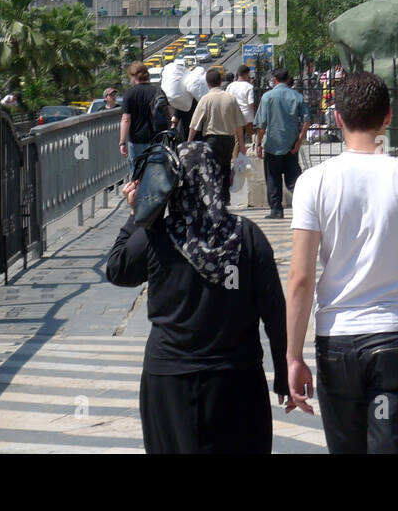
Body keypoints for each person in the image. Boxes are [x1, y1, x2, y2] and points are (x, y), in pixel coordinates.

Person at [285, 70, 398, 453]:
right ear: (388, 116)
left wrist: (293, 356)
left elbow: (300, 279)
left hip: (337, 339)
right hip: (395, 336)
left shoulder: (313, 181)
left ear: (337, 117)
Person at [107, 141, 288, 453]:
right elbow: (274, 311)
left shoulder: (157, 236)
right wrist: (284, 373)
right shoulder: (247, 236)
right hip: (237, 380)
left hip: (170, 382)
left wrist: (140, 213)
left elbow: (117, 269)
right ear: (219, 180)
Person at [254, 68, 309, 220]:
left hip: (272, 144)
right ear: (288, 79)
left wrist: (258, 144)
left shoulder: (267, 97)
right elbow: (307, 121)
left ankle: (276, 210)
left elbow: (261, 125)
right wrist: (299, 141)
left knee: (273, 178)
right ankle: (306, 205)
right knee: (294, 179)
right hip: (291, 145)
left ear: (274, 80)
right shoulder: (297, 96)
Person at [187, 68, 245, 205]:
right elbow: (239, 125)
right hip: (228, 139)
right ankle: (225, 197)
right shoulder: (230, 98)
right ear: (220, 81)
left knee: (211, 168)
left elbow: (194, 124)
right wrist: (242, 145)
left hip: (211, 139)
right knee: (225, 167)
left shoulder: (205, 99)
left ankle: (214, 196)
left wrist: (189, 142)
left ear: (208, 83)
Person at [119, 61, 173, 168]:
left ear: (134, 76)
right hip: (157, 140)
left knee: (136, 175)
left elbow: (126, 119)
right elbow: (170, 113)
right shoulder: (157, 91)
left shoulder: (130, 94)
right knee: (156, 172)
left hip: (136, 141)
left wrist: (122, 142)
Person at [161, 56, 196, 139]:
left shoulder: (182, 102)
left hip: (187, 135)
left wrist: (172, 127)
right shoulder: (192, 97)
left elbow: (175, 119)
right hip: (200, 134)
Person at [228, 64, 256, 144]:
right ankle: (252, 152)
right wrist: (254, 115)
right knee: (251, 136)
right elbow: (251, 103)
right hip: (247, 116)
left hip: (235, 115)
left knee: (237, 140)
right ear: (247, 74)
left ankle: (236, 155)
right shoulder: (249, 87)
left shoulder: (230, 86)